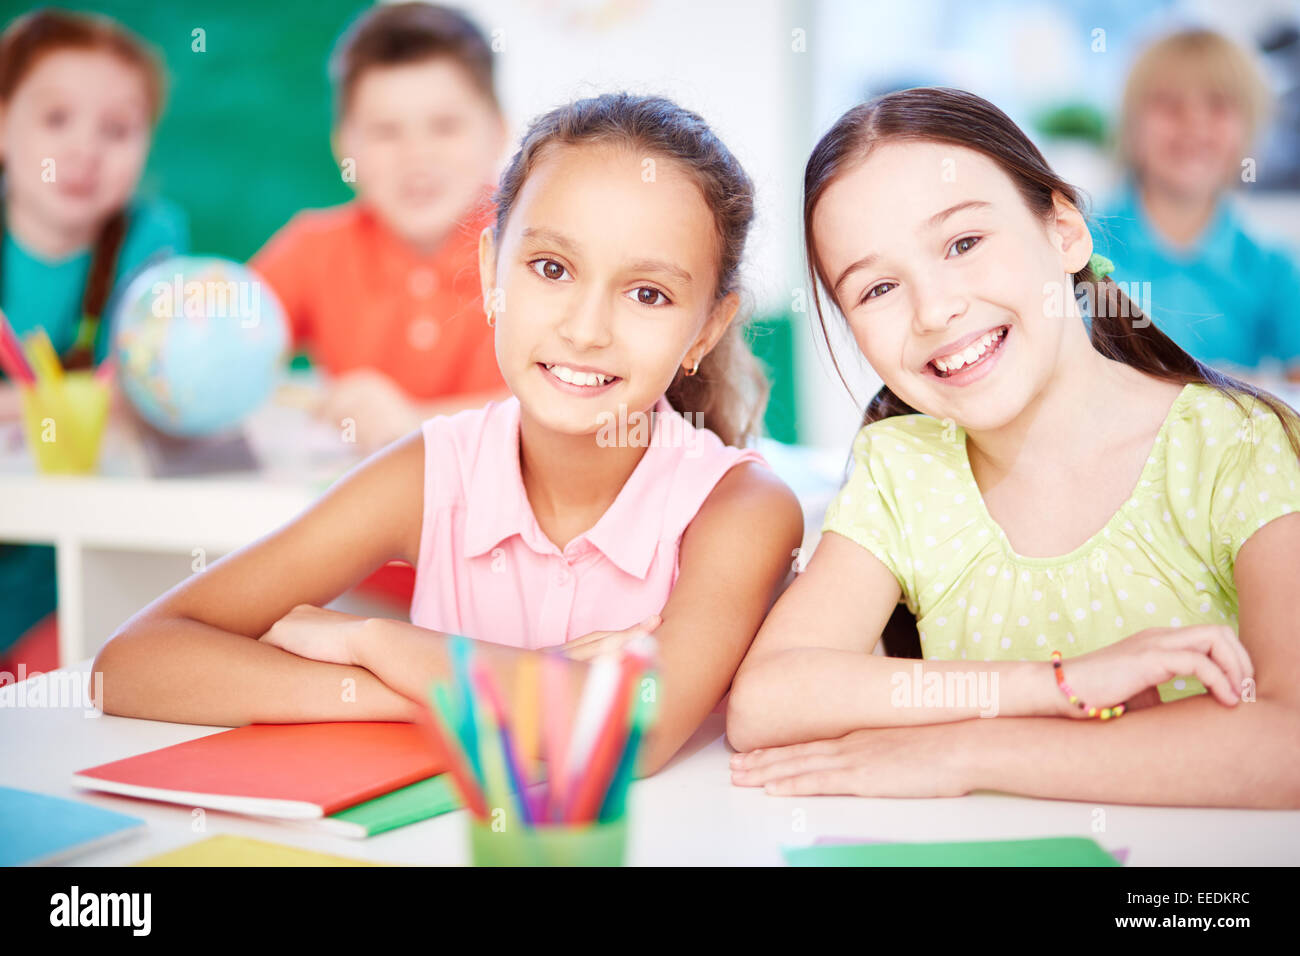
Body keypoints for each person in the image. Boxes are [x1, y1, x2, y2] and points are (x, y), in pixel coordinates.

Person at [727, 87, 1300, 808]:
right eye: (877, 288)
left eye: (963, 244)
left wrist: (970, 750)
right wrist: (1058, 685)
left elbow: (1289, 741)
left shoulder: (1236, 448)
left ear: (1063, 231)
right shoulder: (905, 471)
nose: (935, 310)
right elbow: (767, 701)